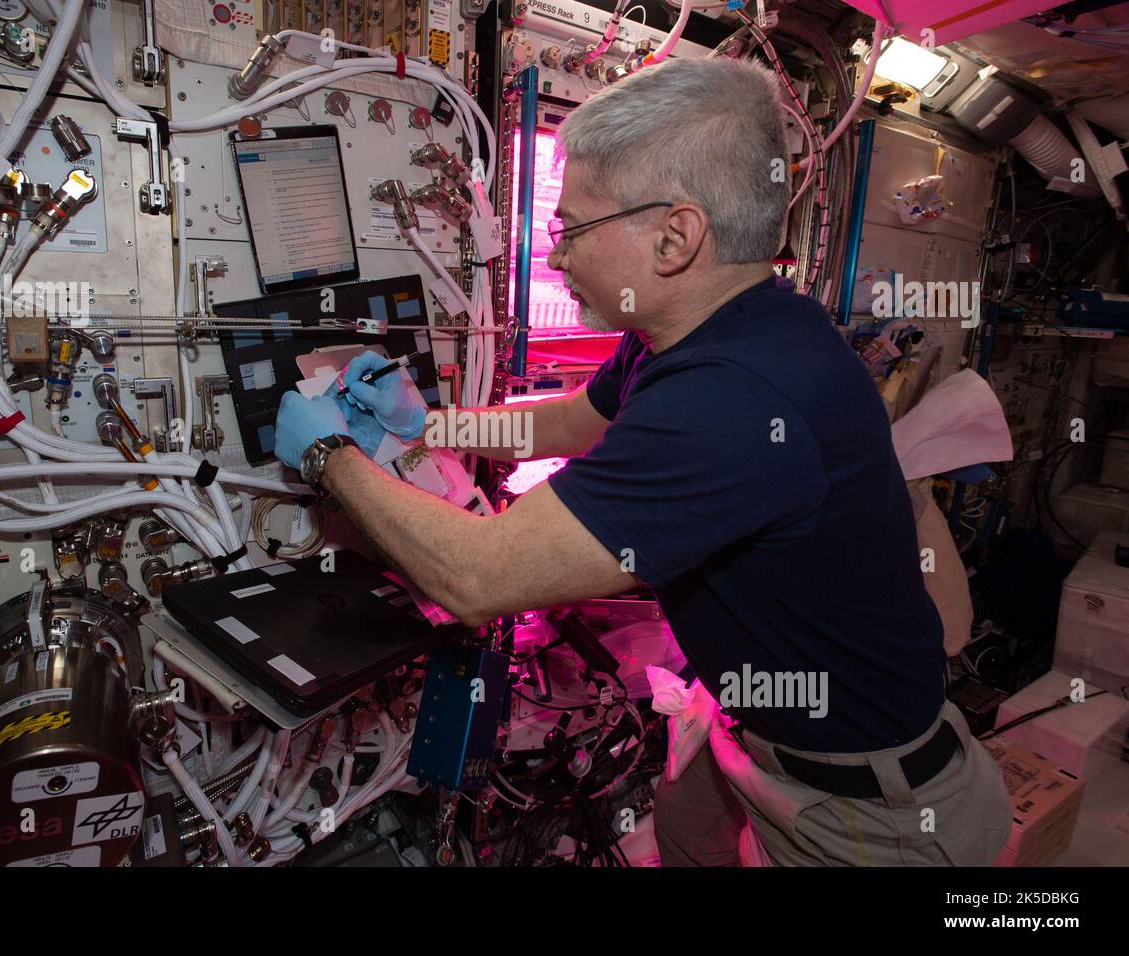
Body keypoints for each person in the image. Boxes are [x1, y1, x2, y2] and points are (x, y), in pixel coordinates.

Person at [273, 56, 1011, 866]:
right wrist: (427, 428)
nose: (556, 259)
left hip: (863, 811)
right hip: (750, 736)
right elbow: (572, 422)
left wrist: (327, 453)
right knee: (680, 841)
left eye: (572, 229)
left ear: (676, 236)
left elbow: (476, 578)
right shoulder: (718, 326)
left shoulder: (731, 397)